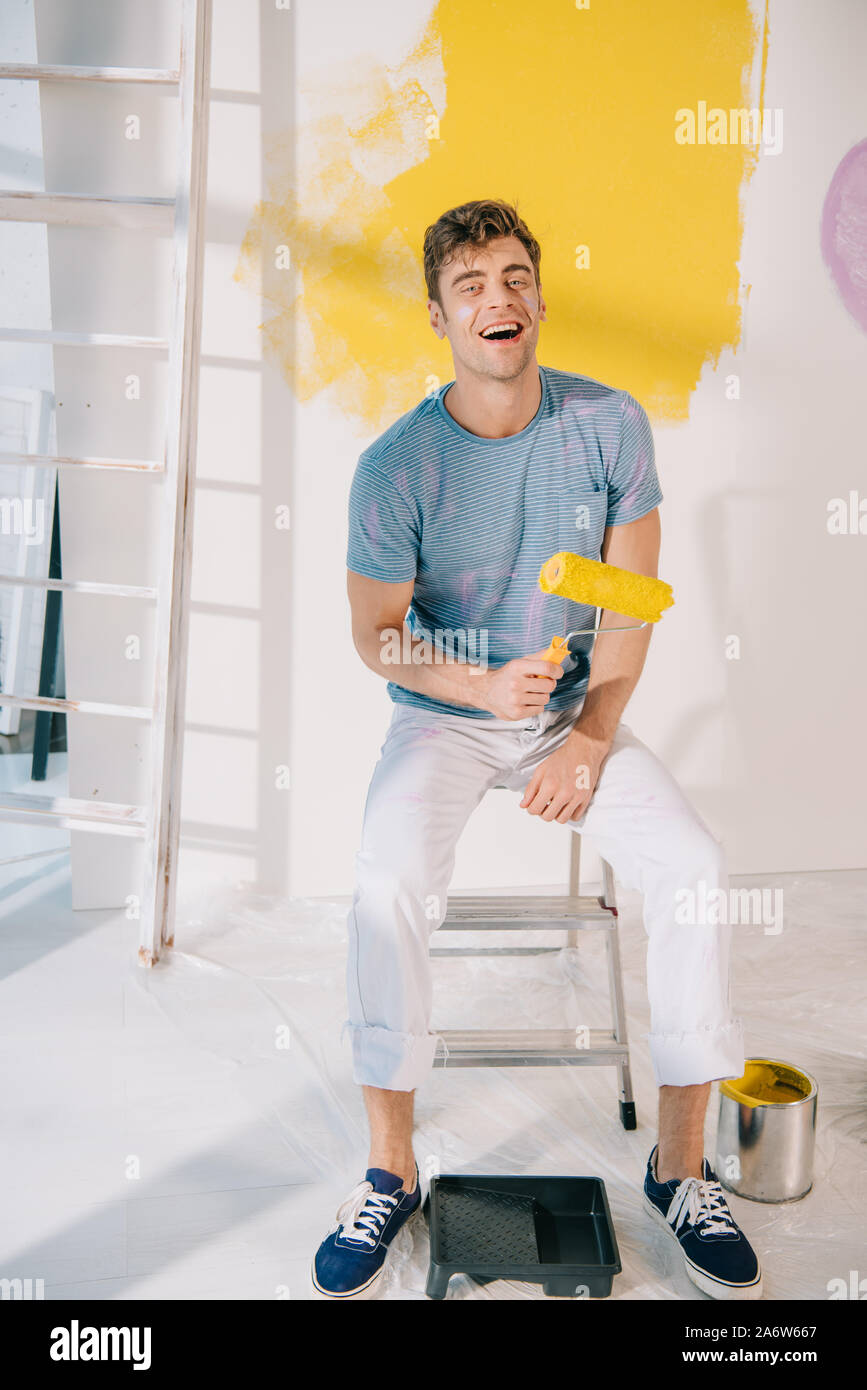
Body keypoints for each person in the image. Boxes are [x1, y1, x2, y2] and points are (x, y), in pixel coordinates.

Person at [311, 199, 761, 1301]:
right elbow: (377, 637)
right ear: (439, 317)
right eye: (470, 286)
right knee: (384, 882)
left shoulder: (608, 427)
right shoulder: (396, 467)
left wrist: (592, 738)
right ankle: (390, 1169)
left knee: (696, 870)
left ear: (541, 299)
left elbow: (631, 605)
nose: (496, 300)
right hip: (442, 717)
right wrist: (474, 681)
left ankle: (680, 1167)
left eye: (513, 278)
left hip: (572, 714)